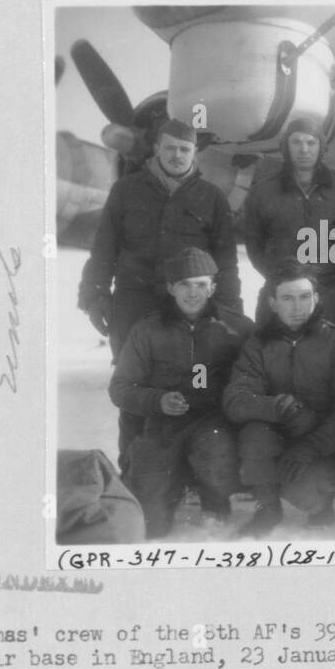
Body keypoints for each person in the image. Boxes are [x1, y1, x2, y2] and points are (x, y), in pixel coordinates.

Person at [77, 118, 242, 472]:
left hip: (189, 308)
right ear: (156, 149)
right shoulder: (126, 190)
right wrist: (93, 294)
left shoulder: (211, 197)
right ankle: (134, 472)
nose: (177, 155)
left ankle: (193, 474)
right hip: (133, 305)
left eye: (185, 149)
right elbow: (103, 246)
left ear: (195, 152)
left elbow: (226, 263)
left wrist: (229, 310)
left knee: (196, 384)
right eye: (170, 147)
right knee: (134, 387)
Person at [108, 248, 254, 539]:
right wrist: (157, 400)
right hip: (164, 423)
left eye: (201, 284)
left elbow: (258, 380)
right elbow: (120, 388)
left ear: (213, 287)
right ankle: (170, 490)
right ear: (171, 287)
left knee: (216, 455)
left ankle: (216, 500)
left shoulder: (238, 327)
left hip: (215, 422)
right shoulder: (147, 330)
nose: (193, 292)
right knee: (151, 524)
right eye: (184, 284)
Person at [223, 260, 335, 537]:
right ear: (273, 303)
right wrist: (275, 407)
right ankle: (268, 507)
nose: (297, 307)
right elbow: (236, 399)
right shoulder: (258, 345)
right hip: (279, 437)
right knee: (255, 434)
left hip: (325, 442)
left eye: (304, 297)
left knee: (304, 492)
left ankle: (320, 505)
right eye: (287, 298)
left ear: (316, 299)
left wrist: (311, 447)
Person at [243, 118, 335, 327]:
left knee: (332, 355)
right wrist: (280, 276)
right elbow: (253, 243)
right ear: (285, 146)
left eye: (311, 142)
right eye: (296, 142)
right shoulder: (263, 192)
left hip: (328, 293)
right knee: (274, 353)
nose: (303, 149)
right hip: (280, 290)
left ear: (321, 147)